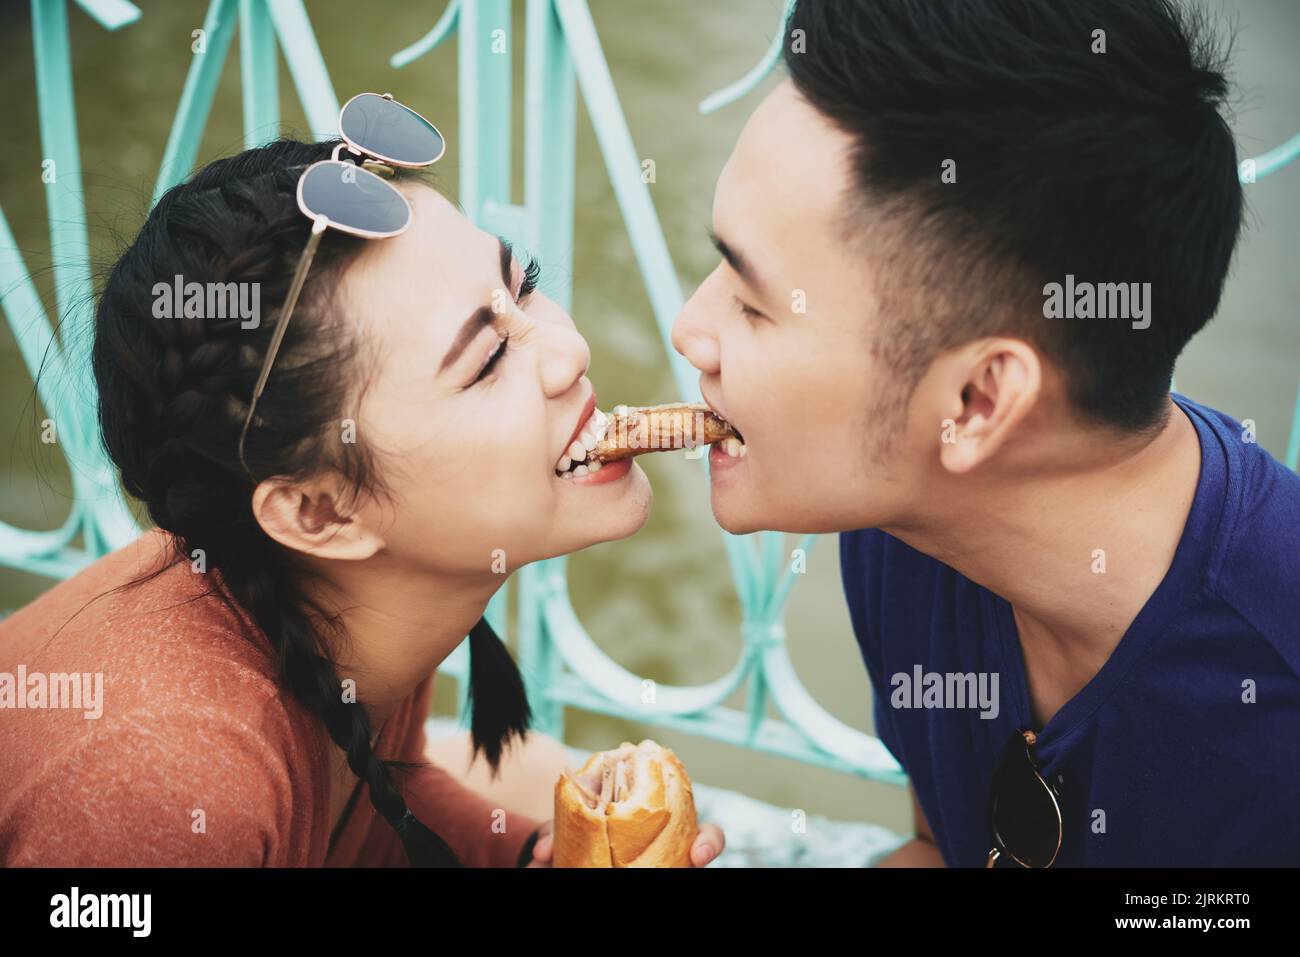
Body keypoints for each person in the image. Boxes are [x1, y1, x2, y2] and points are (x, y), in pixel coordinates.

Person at [670, 0, 1299, 866]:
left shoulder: (1274, 719)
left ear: (974, 402)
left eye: (751, 304)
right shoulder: (905, 523)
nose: (687, 329)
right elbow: (947, 850)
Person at [0, 136, 724, 867]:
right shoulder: (167, 788)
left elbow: (367, 798)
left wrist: (529, 852)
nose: (569, 350)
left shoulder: (337, 604)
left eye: (524, 283)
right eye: (489, 359)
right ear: (320, 512)